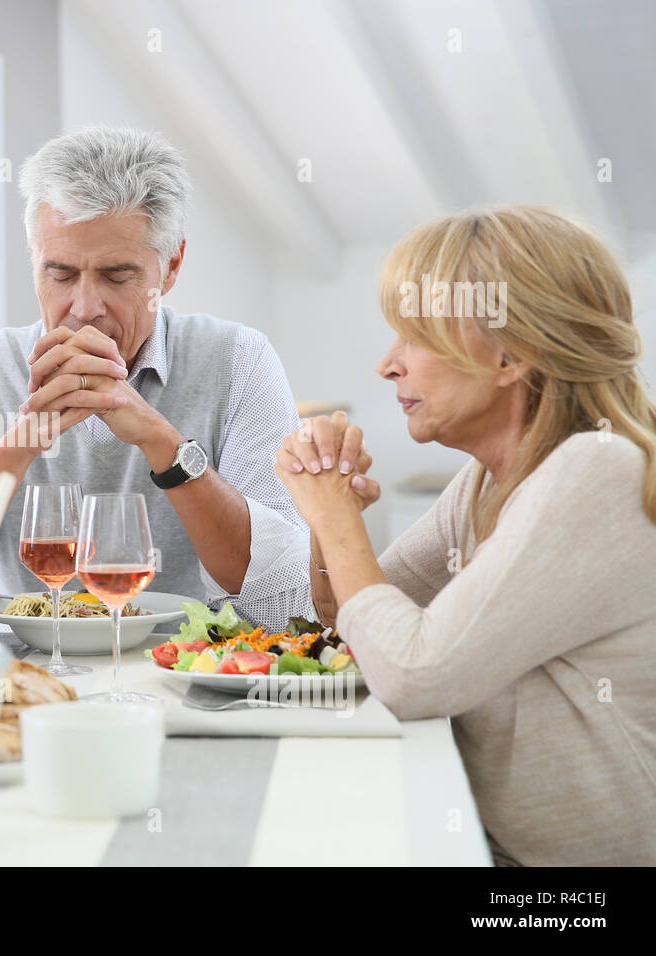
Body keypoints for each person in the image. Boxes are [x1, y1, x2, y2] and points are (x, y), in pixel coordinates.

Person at [274, 205, 656, 866]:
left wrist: (336, 519)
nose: (387, 365)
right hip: (486, 849)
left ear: (512, 355)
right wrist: (331, 514)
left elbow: (415, 675)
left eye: (414, 335)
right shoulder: (491, 477)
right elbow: (348, 627)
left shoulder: (597, 468)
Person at [0, 126, 360, 631]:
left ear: (172, 266)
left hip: (192, 683)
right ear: (35, 260)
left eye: (117, 276)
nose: (85, 308)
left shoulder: (239, 362)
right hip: (24, 685)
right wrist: (23, 440)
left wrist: (159, 439)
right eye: (61, 273)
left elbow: (284, 605)